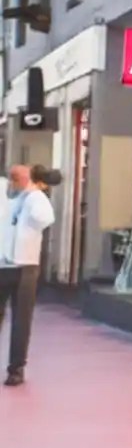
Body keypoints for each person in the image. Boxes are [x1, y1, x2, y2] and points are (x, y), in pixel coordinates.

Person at [0, 164, 57, 387]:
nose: (15, 180)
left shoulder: (36, 199)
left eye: (21, 177)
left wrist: (32, 192)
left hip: (25, 267)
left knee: (21, 320)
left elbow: (45, 219)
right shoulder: (2, 190)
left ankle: (16, 368)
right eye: (13, 176)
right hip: (1, 265)